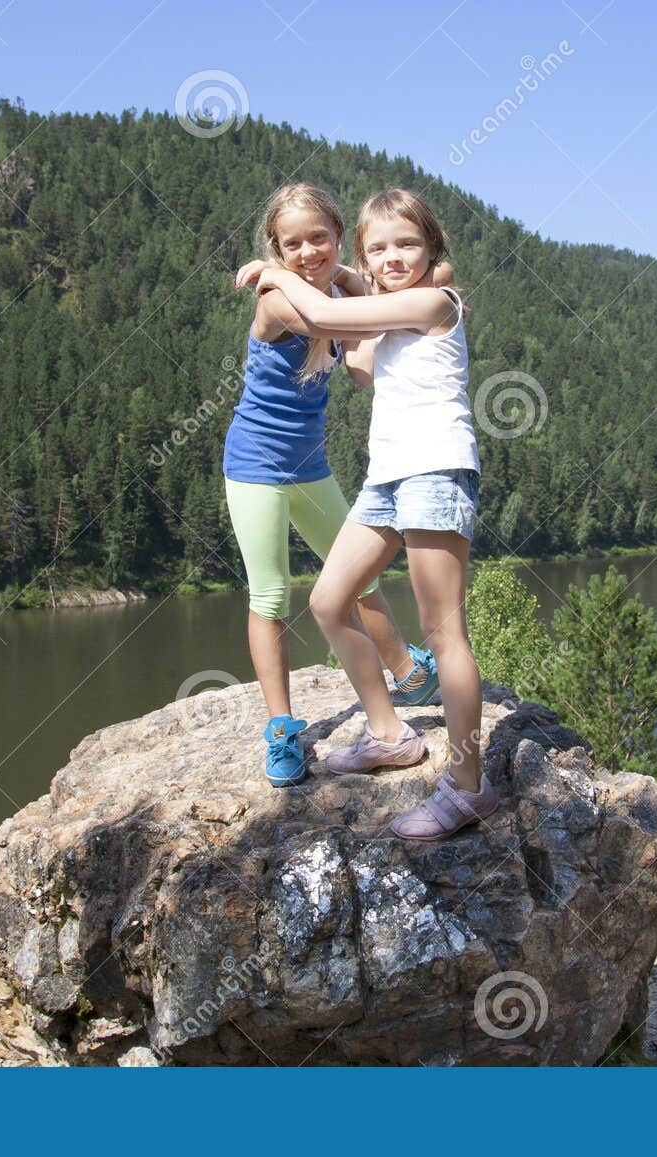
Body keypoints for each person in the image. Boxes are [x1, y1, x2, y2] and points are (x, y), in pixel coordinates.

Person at [252, 188, 495, 840]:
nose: (394, 257)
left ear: (433, 248)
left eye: (408, 244)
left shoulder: (435, 303)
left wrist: (280, 272)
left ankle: (468, 786)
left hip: (436, 471)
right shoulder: (384, 317)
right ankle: (389, 733)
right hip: (386, 481)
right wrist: (346, 285)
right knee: (332, 599)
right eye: (380, 247)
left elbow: (325, 315)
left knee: (444, 634)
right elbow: (355, 357)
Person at [223, 183, 439, 789]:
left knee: (358, 577)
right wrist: (276, 271)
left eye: (319, 238)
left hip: (310, 467)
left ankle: (404, 668)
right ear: (276, 250)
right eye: (291, 244)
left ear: (338, 238)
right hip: (254, 467)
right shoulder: (276, 299)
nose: (307, 251)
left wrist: (345, 272)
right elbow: (320, 315)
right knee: (270, 597)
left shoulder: (338, 285)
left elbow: (363, 346)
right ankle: (284, 730)